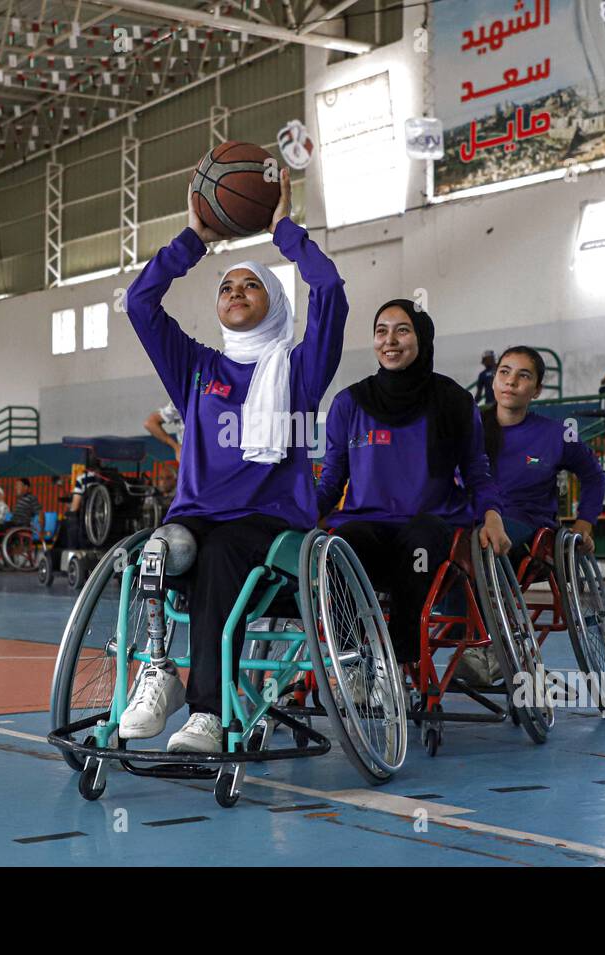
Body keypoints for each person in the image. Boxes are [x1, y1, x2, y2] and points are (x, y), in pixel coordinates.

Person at [118, 167, 346, 754]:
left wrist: (284, 232)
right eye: (226, 287)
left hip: (270, 523)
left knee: (218, 556)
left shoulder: (298, 369)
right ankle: (161, 672)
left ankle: (210, 714)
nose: (236, 292)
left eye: (251, 286)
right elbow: (140, 304)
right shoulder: (196, 368)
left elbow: (331, 292)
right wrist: (193, 239)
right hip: (197, 513)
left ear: (272, 302)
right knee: (158, 549)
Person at [316, 300, 511, 666]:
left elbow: (477, 472)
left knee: (418, 543)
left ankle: (399, 660)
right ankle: (352, 664)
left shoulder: (453, 401)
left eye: (402, 330)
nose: (390, 340)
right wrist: (299, 514)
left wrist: (492, 515)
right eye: (381, 331)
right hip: (369, 526)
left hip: (431, 528)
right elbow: (330, 481)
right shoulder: (349, 404)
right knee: (340, 547)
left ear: (421, 337)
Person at [456, 346, 605, 687]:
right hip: (470, 519)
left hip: (528, 526)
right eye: (504, 373)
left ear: (536, 389)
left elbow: (594, 475)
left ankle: (494, 645)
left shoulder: (555, 434)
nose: (511, 382)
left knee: (481, 546)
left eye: (523, 376)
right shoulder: (469, 428)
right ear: (493, 382)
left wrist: (585, 522)